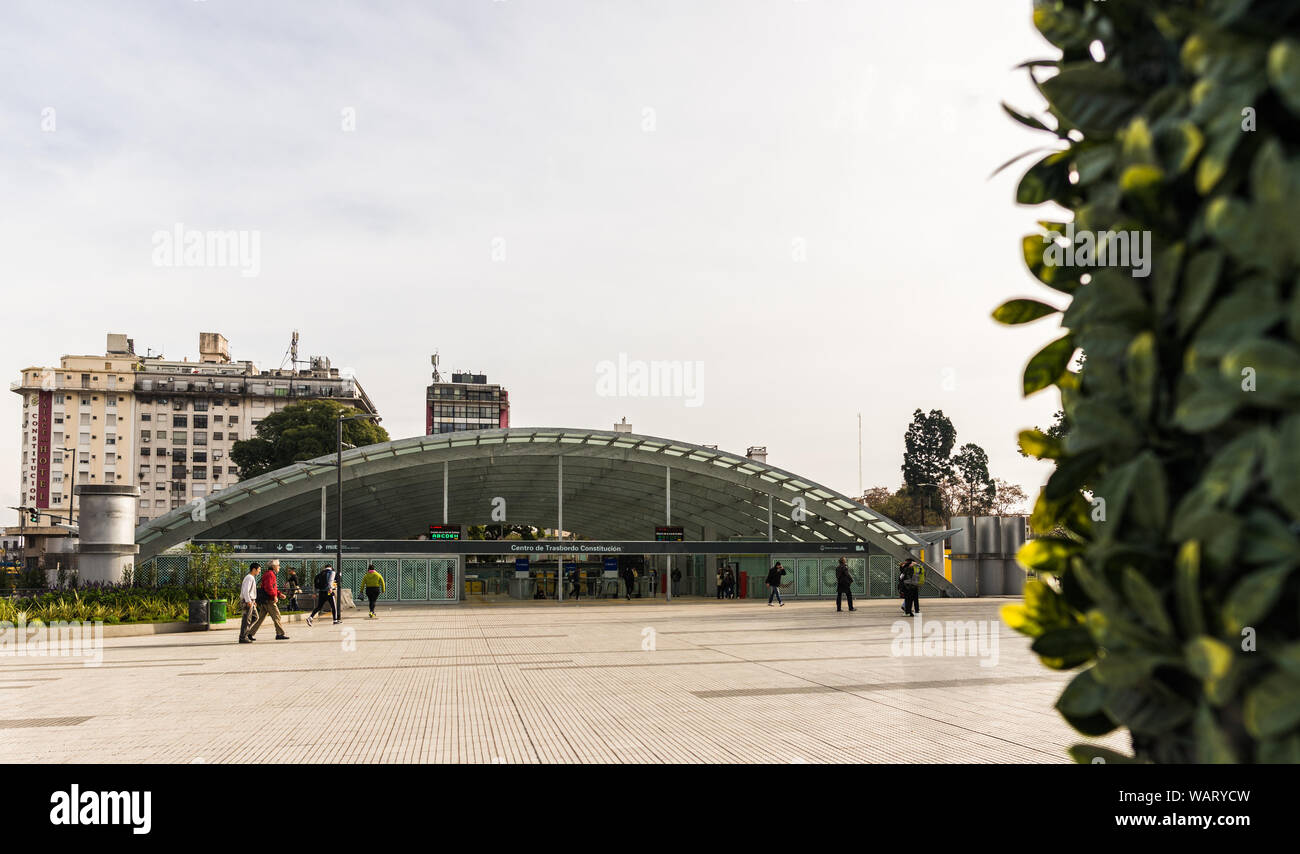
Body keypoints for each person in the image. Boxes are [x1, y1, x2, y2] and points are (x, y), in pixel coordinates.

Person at [248, 558, 289, 640]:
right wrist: (274, 596)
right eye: (278, 565)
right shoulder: (270, 574)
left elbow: (272, 587)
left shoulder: (269, 574)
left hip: (266, 600)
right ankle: (279, 634)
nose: (279, 567)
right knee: (277, 616)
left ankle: (250, 633)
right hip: (269, 600)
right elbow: (269, 587)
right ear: (273, 566)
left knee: (260, 618)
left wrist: (279, 594)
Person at [306, 563, 337, 627]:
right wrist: (330, 588)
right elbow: (330, 581)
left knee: (319, 607)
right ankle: (335, 620)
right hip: (329, 592)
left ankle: (310, 617)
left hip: (321, 592)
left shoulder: (320, 574)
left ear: (325, 567)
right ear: (330, 567)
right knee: (333, 606)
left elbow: (315, 584)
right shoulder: (332, 572)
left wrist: (314, 593)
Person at [238, 563, 262, 644]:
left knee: (255, 617)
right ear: (254, 569)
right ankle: (243, 637)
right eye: (259, 569)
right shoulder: (249, 578)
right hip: (247, 601)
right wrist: (248, 601)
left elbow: (250, 591)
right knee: (246, 620)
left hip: (251, 601)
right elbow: (246, 590)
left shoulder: (251, 577)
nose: (259, 571)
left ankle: (245, 633)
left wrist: (253, 601)